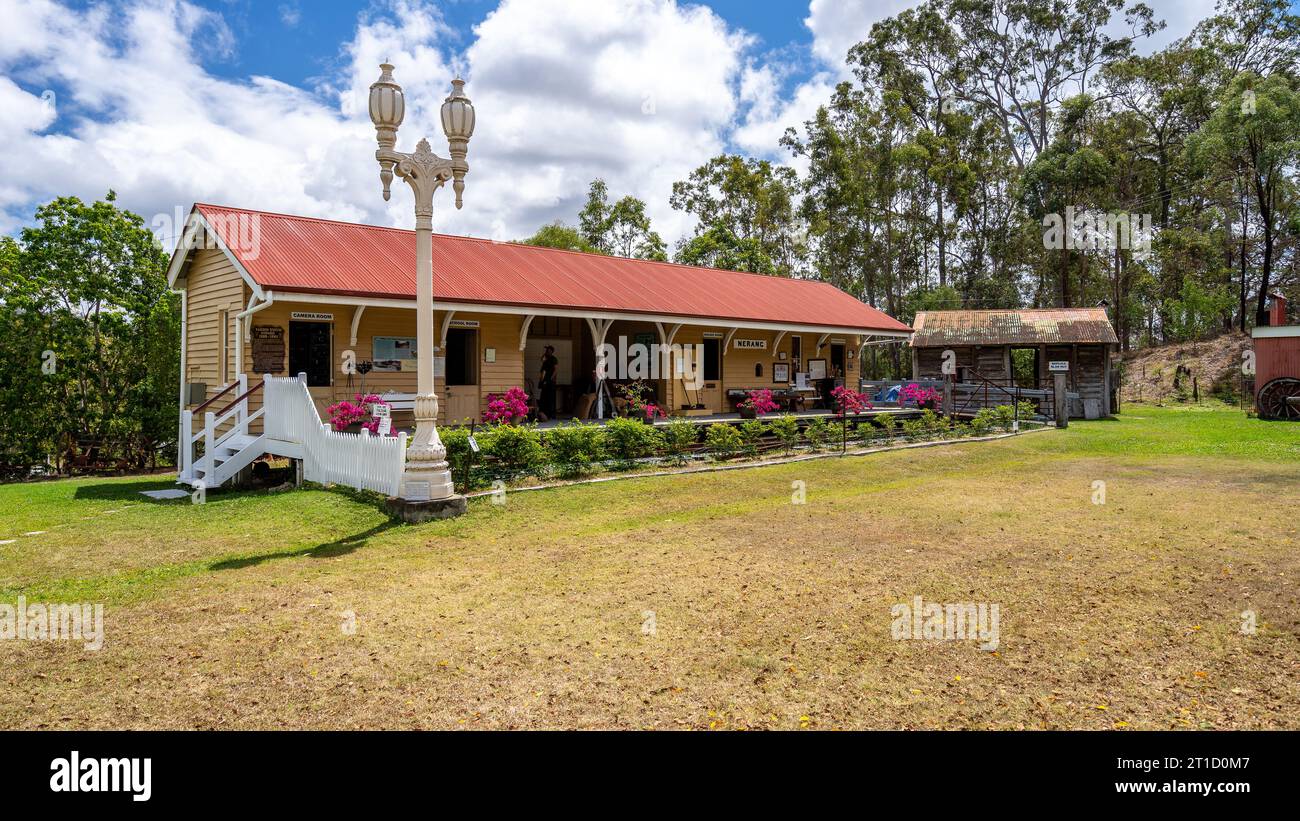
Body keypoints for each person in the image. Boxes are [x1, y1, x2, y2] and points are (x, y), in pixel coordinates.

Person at [539, 344, 558, 419]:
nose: (548, 352)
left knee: (550, 398)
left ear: (552, 352)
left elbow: (556, 370)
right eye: (547, 351)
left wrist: (551, 378)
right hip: (545, 381)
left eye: (549, 351)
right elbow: (541, 359)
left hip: (550, 381)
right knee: (544, 397)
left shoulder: (554, 359)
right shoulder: (546, 359)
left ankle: (551, 415)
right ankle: (544, 413)